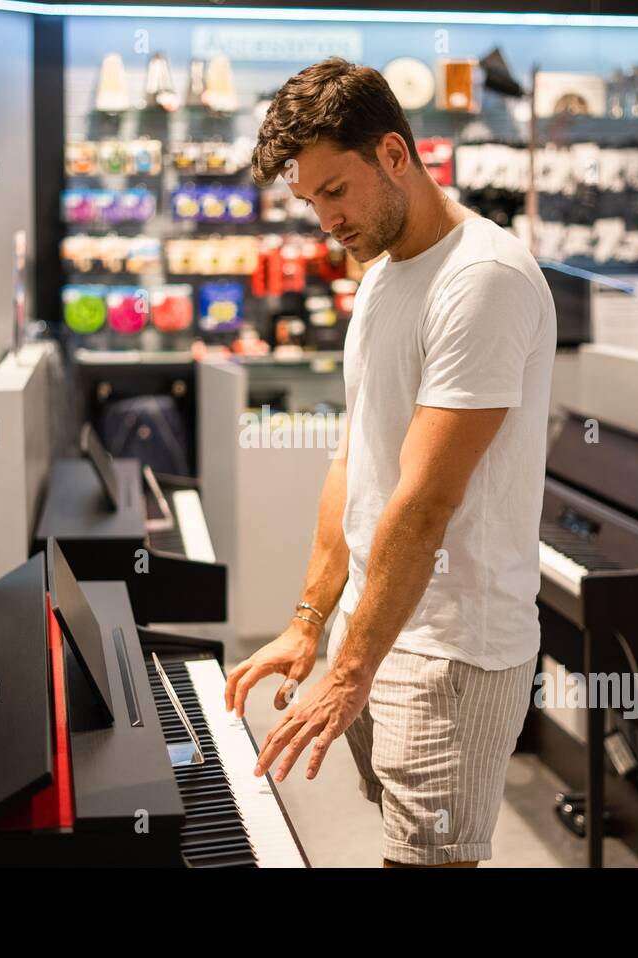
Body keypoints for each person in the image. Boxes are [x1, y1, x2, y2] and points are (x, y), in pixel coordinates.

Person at [226, 57, 556, 867]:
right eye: (310, 202)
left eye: (335, 191)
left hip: (450, 651)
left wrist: (349, 672)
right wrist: (311, 623)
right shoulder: (384, 270)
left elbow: (425, 501)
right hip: (383, 628)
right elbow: (357, 460)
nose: (325, 219)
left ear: (396, 156)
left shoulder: (481, 278)